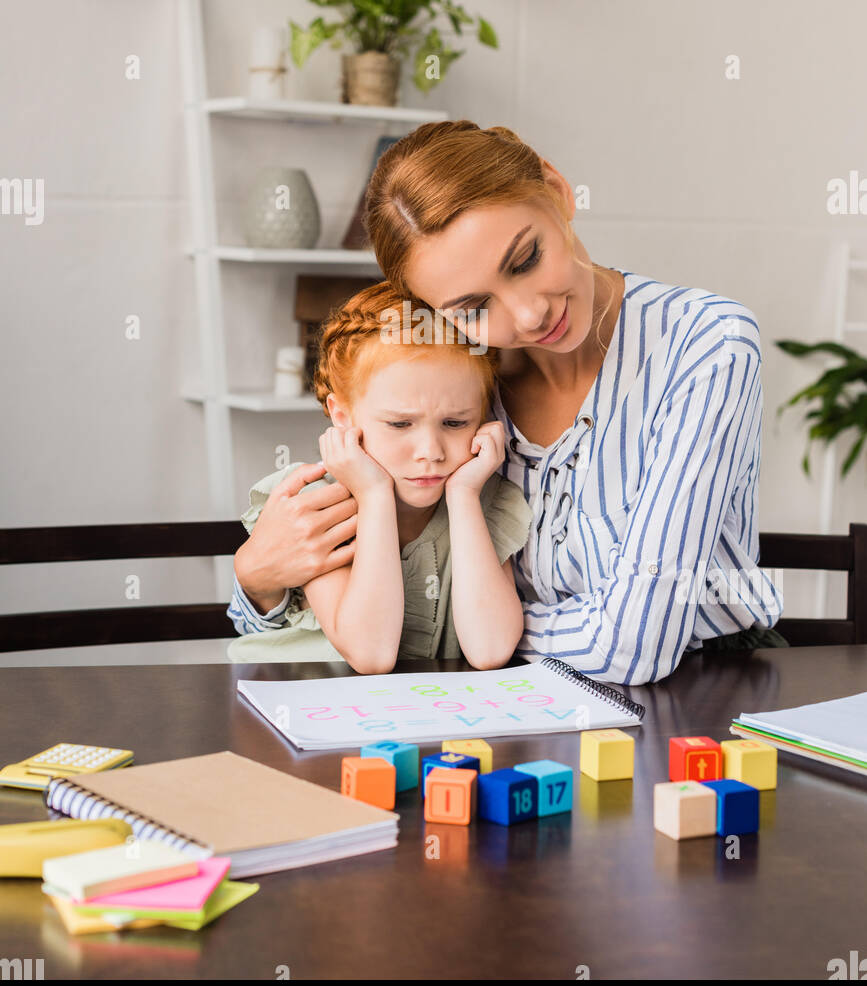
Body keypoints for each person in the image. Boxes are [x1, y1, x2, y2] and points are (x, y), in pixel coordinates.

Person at [357, 119, 787, 684]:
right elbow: (350, 574)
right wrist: (260, 583)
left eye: (526, 259)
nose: (529, 315)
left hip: (703, 684)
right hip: (506, 690)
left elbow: (636, 645)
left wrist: (468, 632)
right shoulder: (454, 382)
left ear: (557, 191)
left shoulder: (706, 343)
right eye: (472, 307)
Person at [227, 280, 533, 672]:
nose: (431, 451)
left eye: (456, 422)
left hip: (408, 716)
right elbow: (371, 654)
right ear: (342, 415)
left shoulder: (481, 498)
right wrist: (373, 496)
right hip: (293, 704)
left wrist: (463, 496)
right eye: (400, 423)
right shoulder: (317, 500)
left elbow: (490, 649)